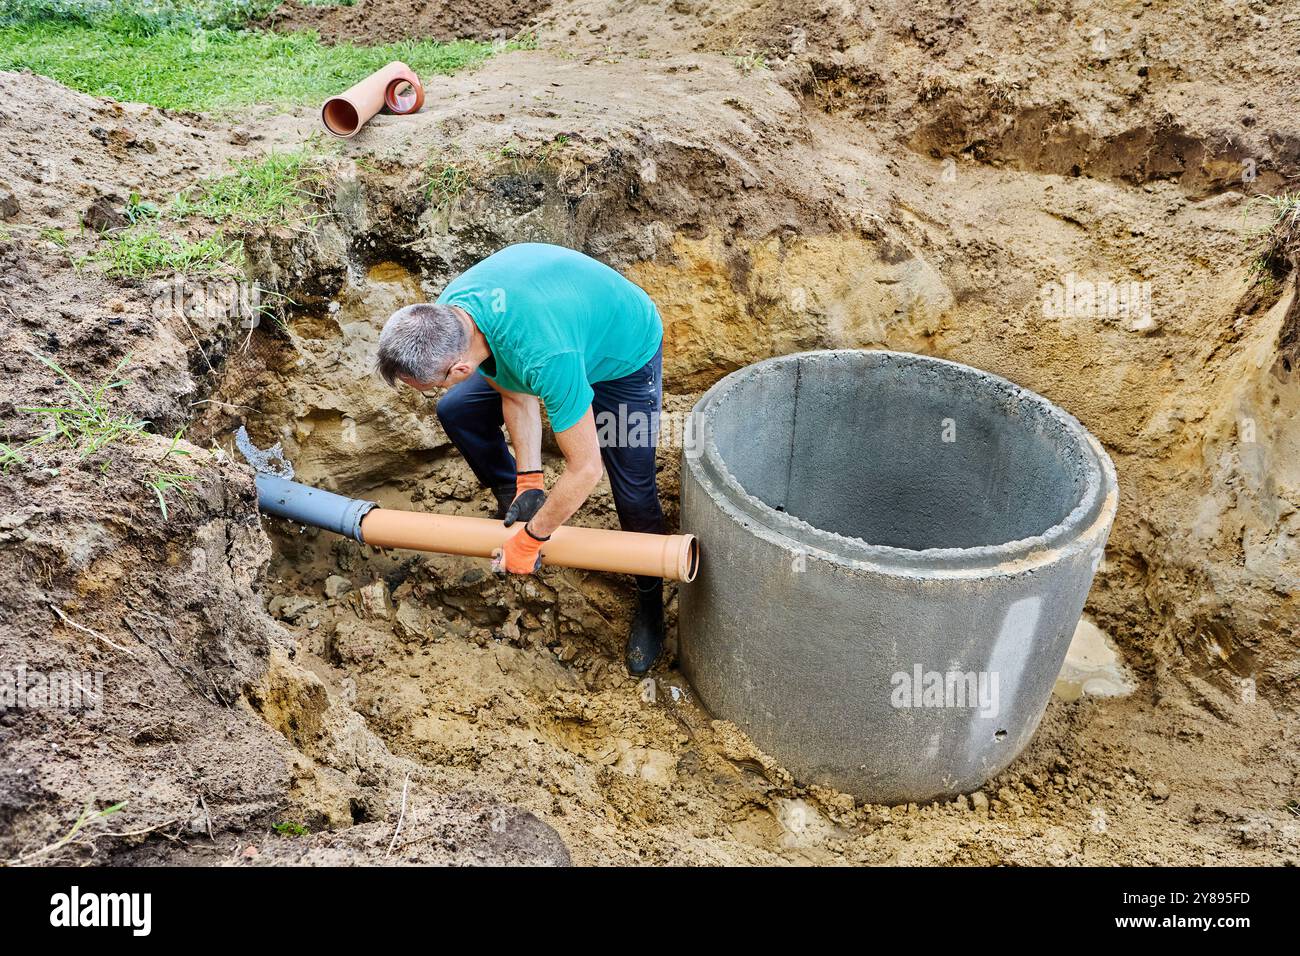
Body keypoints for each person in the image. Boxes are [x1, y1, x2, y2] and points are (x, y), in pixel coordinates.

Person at [375, 242, 669, 674]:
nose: (437, 389)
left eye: (434, 384)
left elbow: (585, 470)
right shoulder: (450, 318)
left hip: (623, 355)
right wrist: (529, 480)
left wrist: (534, 540)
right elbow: (515, 390)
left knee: (634, 491)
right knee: (457, 411)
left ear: (458, 370)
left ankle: (651, 599)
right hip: (557, 329)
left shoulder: (545, 356)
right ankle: (512, 495)